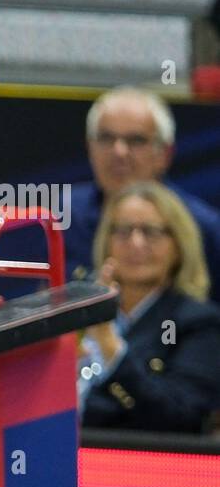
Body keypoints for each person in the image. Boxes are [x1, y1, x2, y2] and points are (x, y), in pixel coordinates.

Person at [78, 181, 220, 435]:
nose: (136, 243)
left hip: (135, 455)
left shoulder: (198, 322)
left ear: (178, 246)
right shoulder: (79, 309)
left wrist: (110, 347)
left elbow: (181, 416)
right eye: (123, 231)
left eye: (151, 232)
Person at [63, 87, 220, 305]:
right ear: (90, 147)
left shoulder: (203, 227)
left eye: (136, 140)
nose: (119, 152)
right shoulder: (65, 215)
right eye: (106, 138)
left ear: (164, 153)